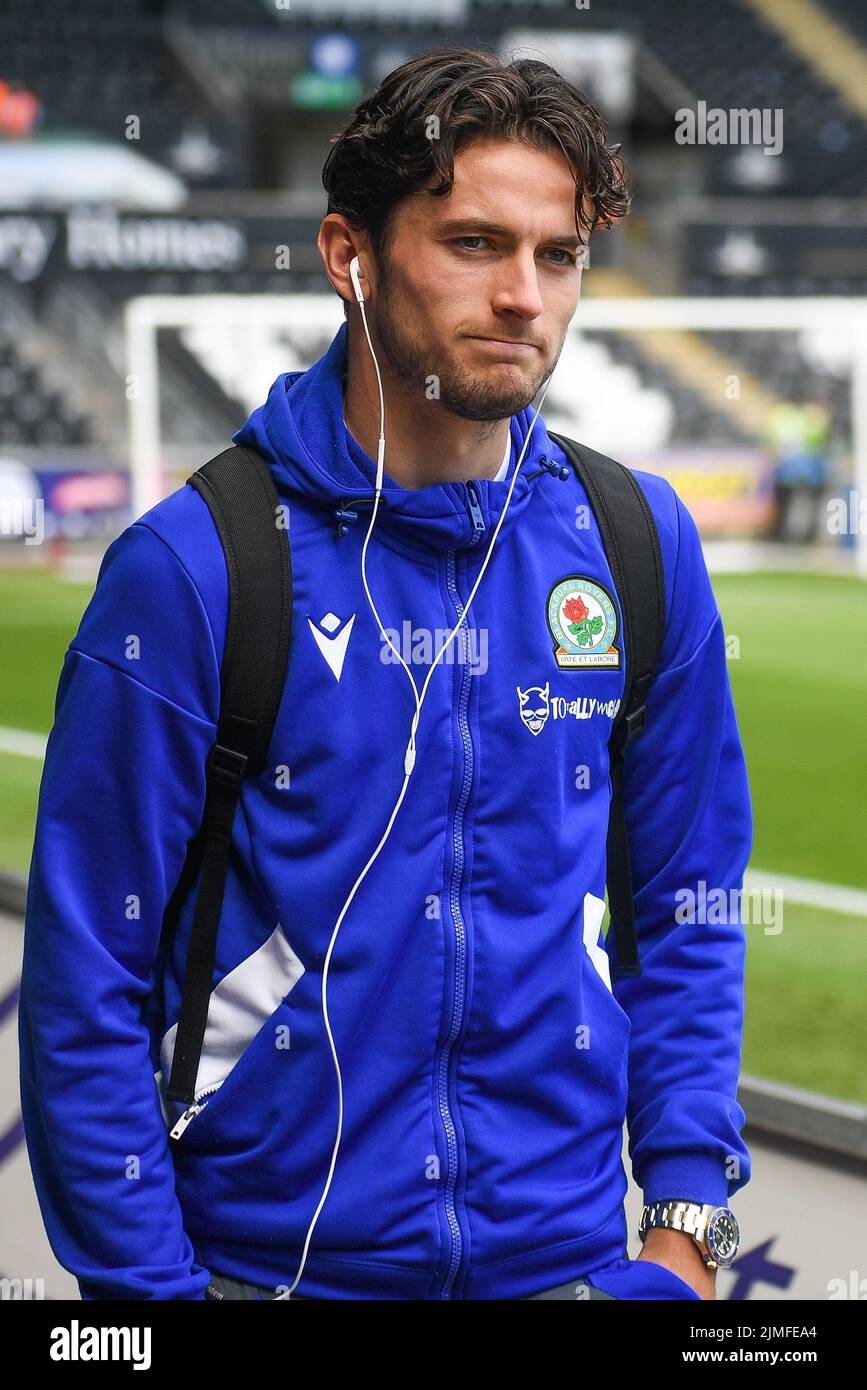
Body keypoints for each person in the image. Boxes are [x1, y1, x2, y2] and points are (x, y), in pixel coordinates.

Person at [19, 47, 752, 1302]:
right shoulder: (196, 567)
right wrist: (148, 1301)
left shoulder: (639, 544)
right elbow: (87, 976)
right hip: (265, 1275)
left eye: (560, 256)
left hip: (572, 1270)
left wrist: (684, 1236)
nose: (523, 296)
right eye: (474, 243)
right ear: (348, 255)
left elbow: (691, 905)